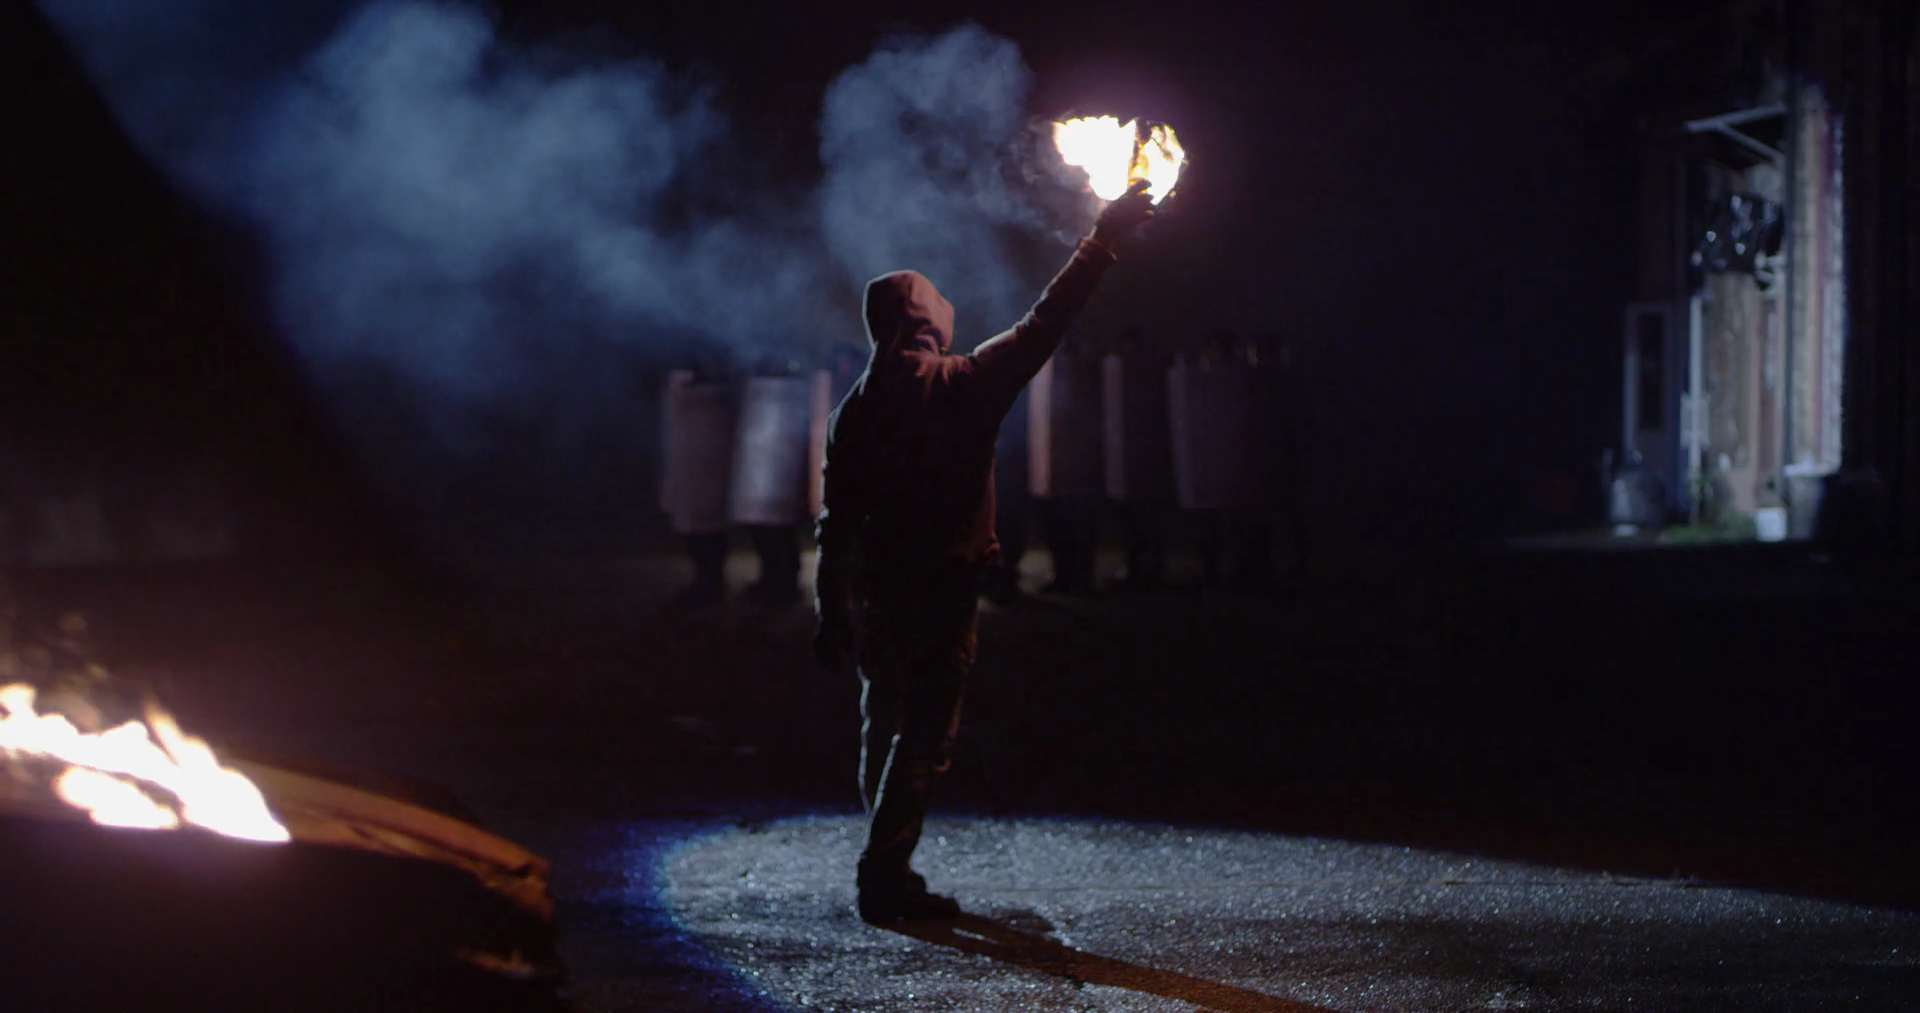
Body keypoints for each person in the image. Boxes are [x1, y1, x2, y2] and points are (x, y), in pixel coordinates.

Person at [811, 180, 1158, 922]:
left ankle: (883, 855)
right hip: (941, 588)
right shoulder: (966, 382)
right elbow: (1045, 323)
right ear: (931, 320)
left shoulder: (856, 410)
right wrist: (1100, 242)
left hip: (877, 589)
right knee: (925, 735)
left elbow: (836, 519)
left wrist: (828, 609)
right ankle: (885, 872)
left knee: (881, 715)